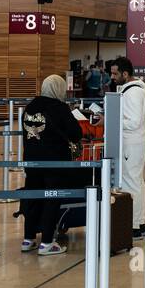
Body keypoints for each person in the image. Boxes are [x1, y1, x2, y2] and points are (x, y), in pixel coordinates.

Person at [20, 75, 83, 255]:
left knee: (33, 198)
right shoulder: (59, 108)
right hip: (54, 162)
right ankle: (47, 242)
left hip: (31, 161)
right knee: (51, 199)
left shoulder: (30, 107)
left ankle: (28, 238)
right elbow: (76, 134)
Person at [109, 56, 145, 238]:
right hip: (136, 142)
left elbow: (133, 122)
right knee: (137, 181)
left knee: (131, 181)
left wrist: (111, 119)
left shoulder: (133, 93)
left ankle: (133, 225)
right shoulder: (139, 90)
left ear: (125, 74)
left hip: (131, 143)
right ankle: (139, 222)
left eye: (115, 73)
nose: (112, 77)